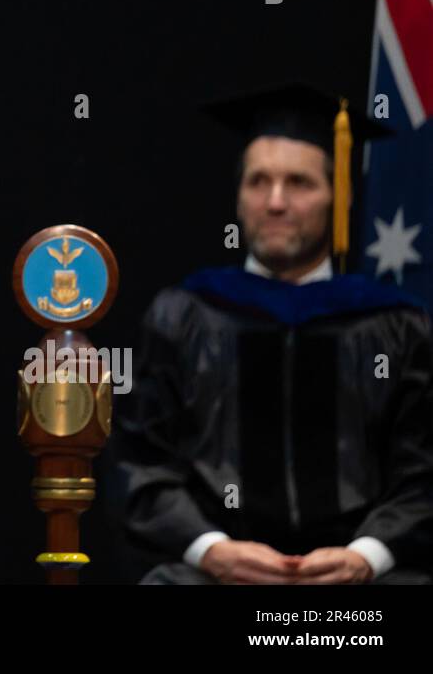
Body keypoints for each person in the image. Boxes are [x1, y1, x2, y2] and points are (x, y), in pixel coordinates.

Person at [113, 83, 433, 585]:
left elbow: (423, 477)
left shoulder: (394, 327)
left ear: (338, 196)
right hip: (218, 578)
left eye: (299, 183)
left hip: (357, 582)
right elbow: (144, 467)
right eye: (258, 182)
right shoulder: (184, 316)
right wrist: (212, 550)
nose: (276, 202)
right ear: (239, 198)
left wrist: (368, 555)